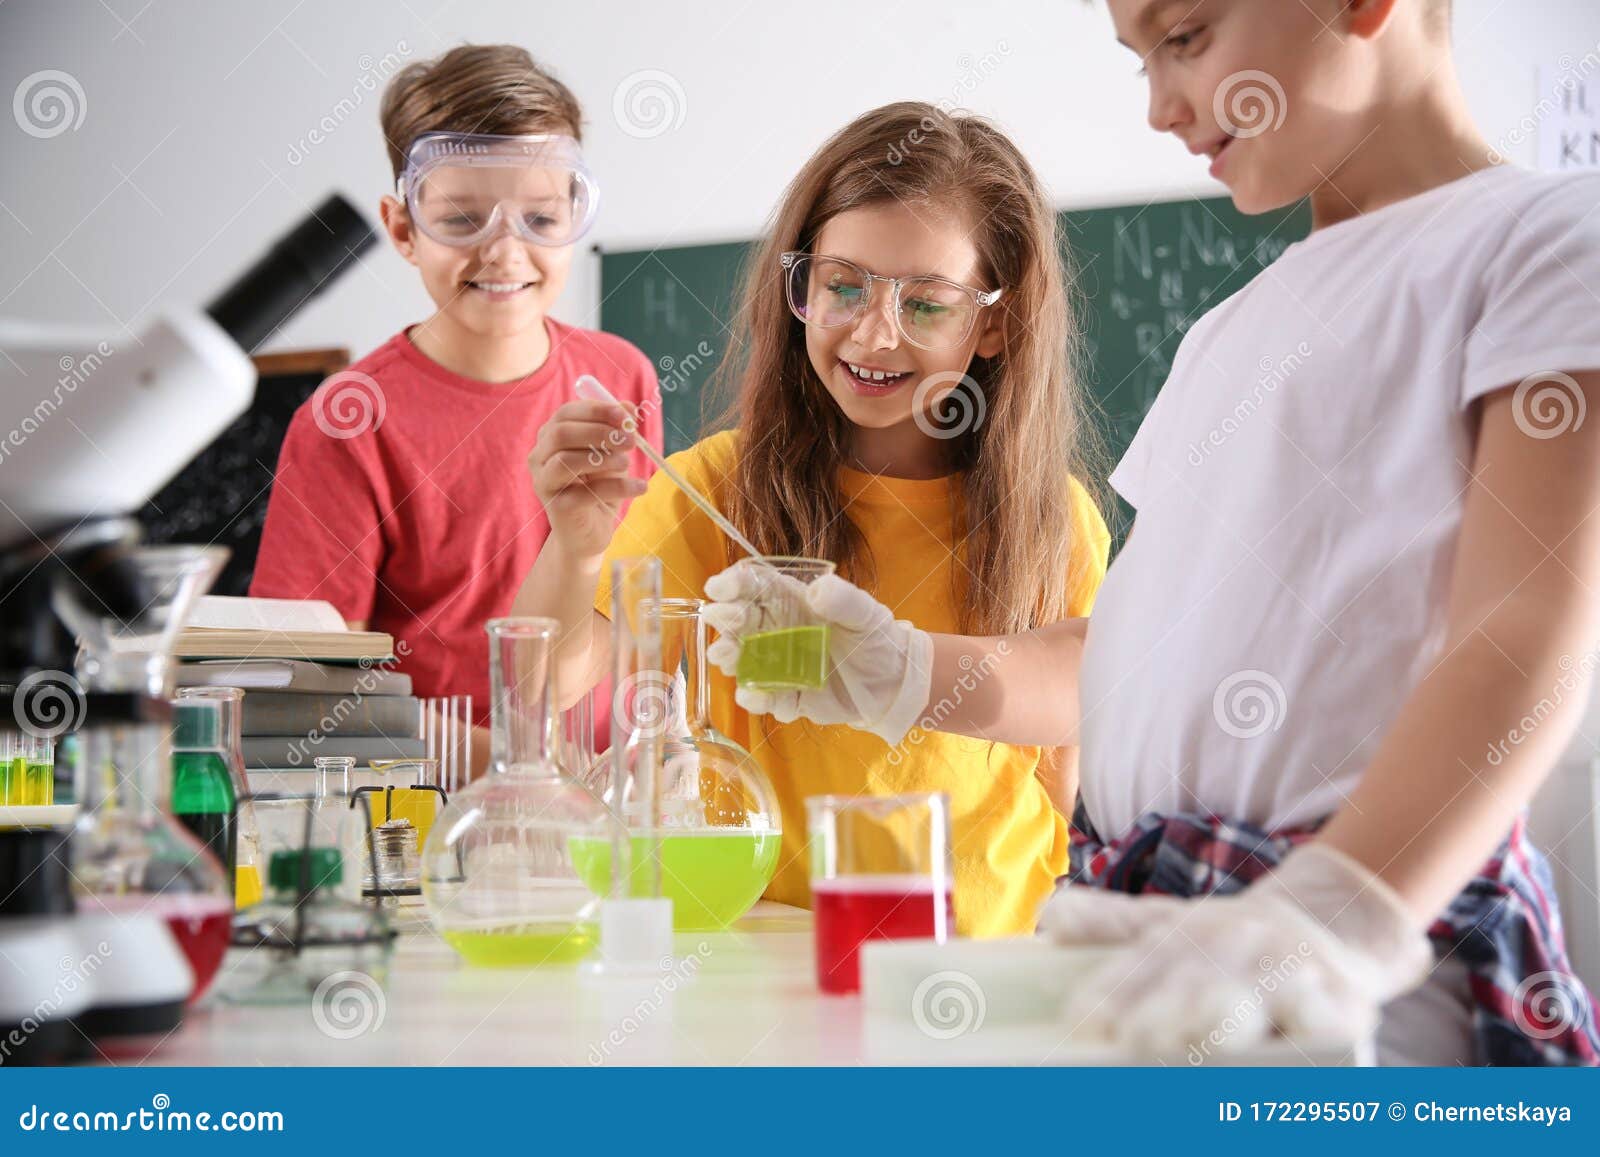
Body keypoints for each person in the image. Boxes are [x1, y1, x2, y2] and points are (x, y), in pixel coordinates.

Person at [704, 0, 1600, 1065]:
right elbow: (1120, 656)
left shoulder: (1549, 239)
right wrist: (897, 666)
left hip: (1350, 966)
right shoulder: (1228, 331)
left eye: (1185, 38)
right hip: (1147, 933)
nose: (1159, 107)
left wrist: (1332, 912)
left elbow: (1525, 625)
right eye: (1138, 62)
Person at [515, 102, 1111, 937]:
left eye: (926, 304)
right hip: (782, 962)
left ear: (996, 322)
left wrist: (884, 665)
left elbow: (1077, 720)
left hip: (986, 965)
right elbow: (544, 688)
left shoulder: (1055, 520)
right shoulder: (716, 489)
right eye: (843, 285)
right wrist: (575, 547)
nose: (873, 332)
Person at [252, 45, 662, 742]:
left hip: (598, 795)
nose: (504, 252)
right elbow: (306, 692)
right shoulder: (347, 421)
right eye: (463, 220)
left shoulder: (621, 378)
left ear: (573, 216)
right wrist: (504, 771)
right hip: (426, 810)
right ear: (404, 229)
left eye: (539, 219)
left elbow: (628, 616)